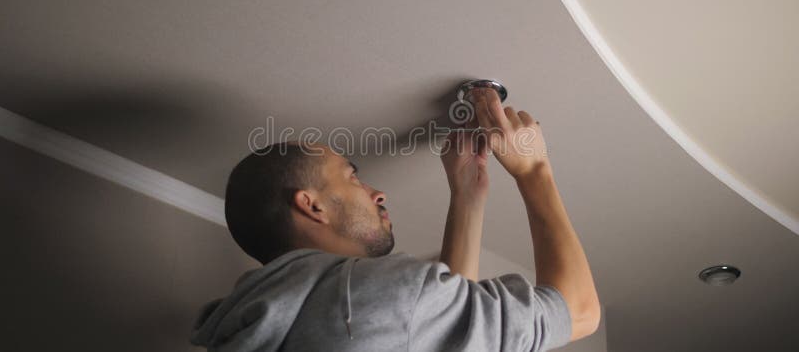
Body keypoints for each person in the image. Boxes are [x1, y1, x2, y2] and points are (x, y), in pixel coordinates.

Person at [189, 87, 600, 351]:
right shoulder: (370, 297)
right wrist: (535, 173)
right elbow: (579, 312)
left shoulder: (251, 329)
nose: (377, 192)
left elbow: (436, 334)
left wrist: (467, 199)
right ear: (311, 205)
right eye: (352, 176)